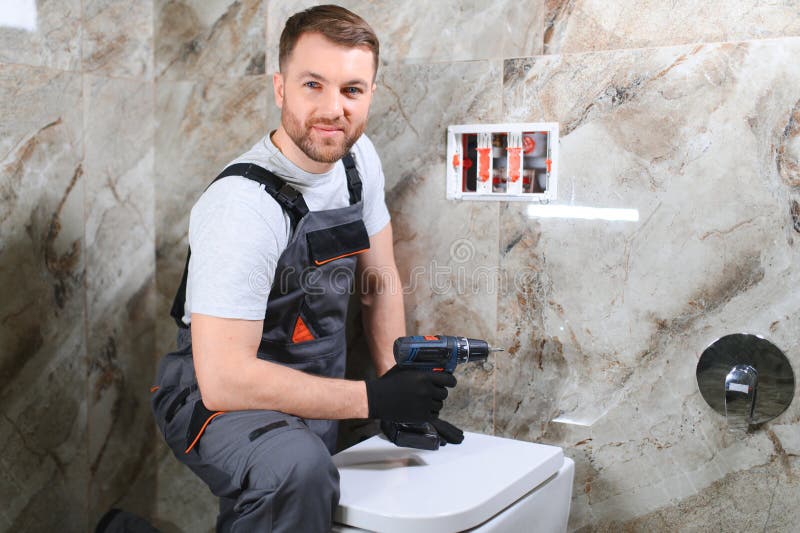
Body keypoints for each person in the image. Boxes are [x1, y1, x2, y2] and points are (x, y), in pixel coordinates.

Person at [150, 5, 460, 532]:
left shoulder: (359, 162)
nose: (332, 109)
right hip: (212, 394)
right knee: (294, 472)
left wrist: (399, 390)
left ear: (370, 96)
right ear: (280, 88)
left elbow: (378, 282)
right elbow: (224, 378)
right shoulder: (243, 206)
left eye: (351, 90)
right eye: (313, 84)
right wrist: (372, 397)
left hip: (311, 383)